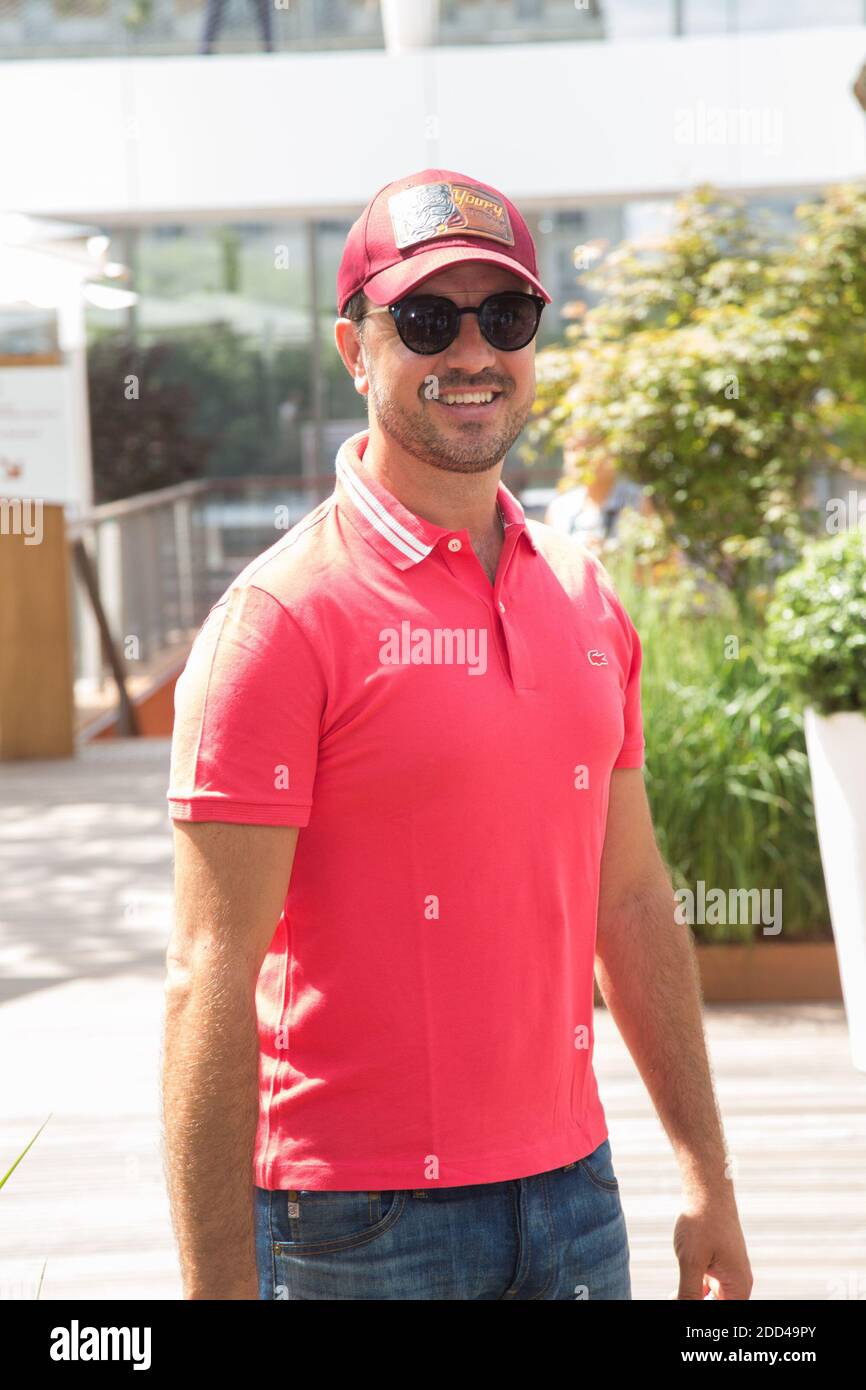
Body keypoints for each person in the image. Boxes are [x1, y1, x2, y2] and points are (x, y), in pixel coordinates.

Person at [163, 168, 753, 1302]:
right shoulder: (279, 619)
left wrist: (703, 1172)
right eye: (427, 319)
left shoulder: (584, 600)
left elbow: (627, 902)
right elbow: (206, 975)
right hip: (351, 1222)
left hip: (577, 1198)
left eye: (507, 316)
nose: (472, 353)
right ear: (354, 348)